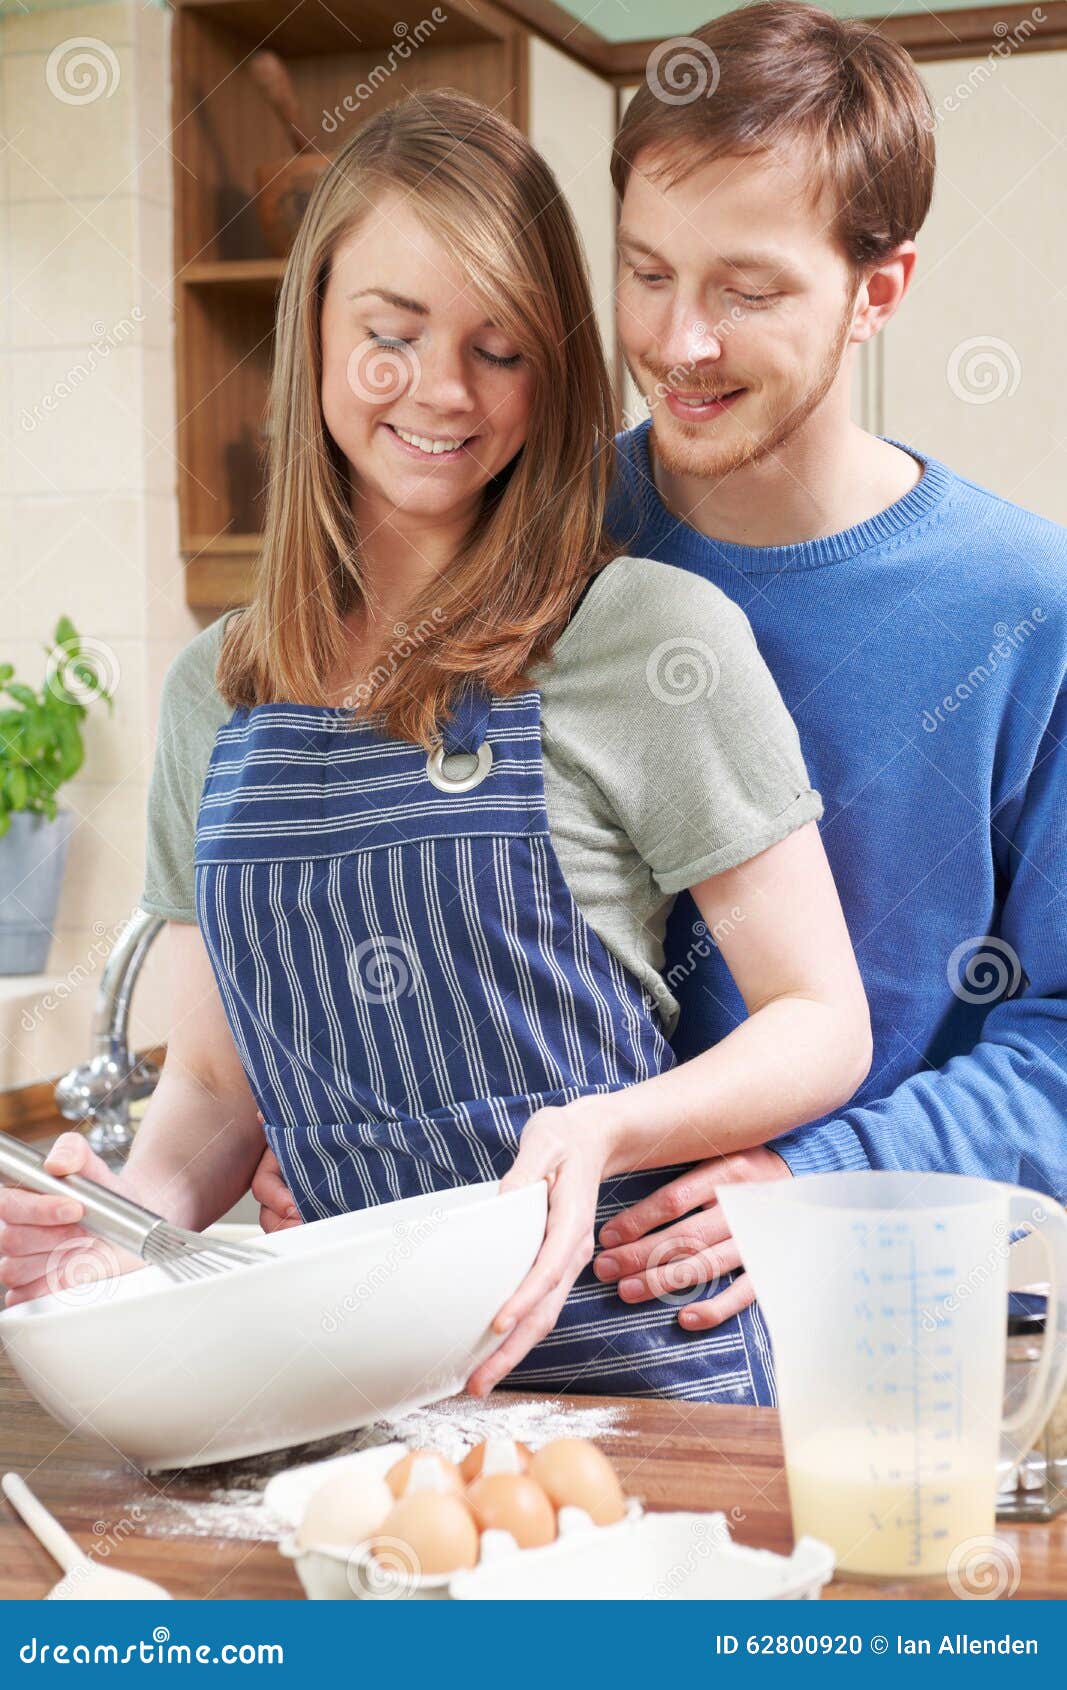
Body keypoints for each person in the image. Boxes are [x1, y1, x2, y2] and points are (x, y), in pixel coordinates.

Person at [0, 92, 870, 1405]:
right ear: (315, 333)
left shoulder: (649, 638)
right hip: (353, 1396)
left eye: (501, 348)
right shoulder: (214, 691)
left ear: (554, 370)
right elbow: (219, 1094)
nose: (445, 392)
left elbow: (822, 1019)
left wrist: (606, 1125)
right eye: (390, 336)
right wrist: (112, 1214)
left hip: (638, 1373)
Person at [586, 0, 1067, 1331]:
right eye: (644, 270)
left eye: (746, 291)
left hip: (900, 1328)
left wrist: (826, 1176)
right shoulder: (531, 548)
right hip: (550, 1328)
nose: (679, 343)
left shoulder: (1031, 607)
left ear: (881, 291)